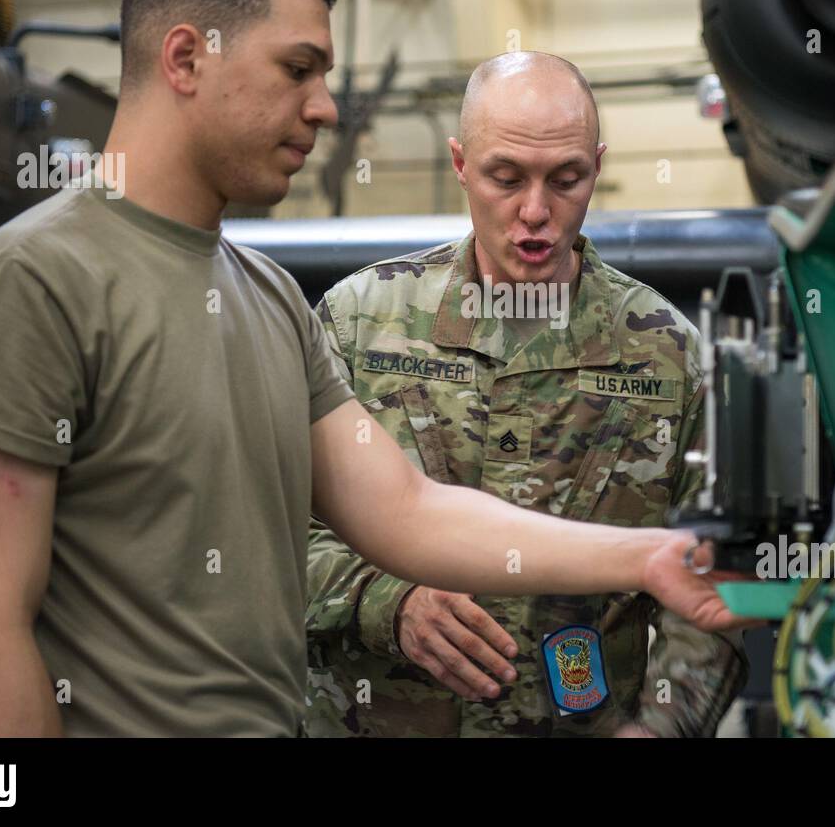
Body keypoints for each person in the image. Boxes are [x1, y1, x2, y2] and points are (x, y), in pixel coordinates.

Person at [0, 0, 746, 738]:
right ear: (187, 58)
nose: (327, 109)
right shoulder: (29, 284)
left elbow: (409, 510)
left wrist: (643, 557)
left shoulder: (269, 299)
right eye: (298, 69)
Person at [305, 52, 749, 737]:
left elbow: (713, 573)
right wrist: (385, 600)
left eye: (566, 179)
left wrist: (663, 727)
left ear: (597, 166)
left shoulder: (668, 354)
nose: (535, 212)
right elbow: (272, 532)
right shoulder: (360, 323)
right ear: (459, 163)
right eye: (504, 178)